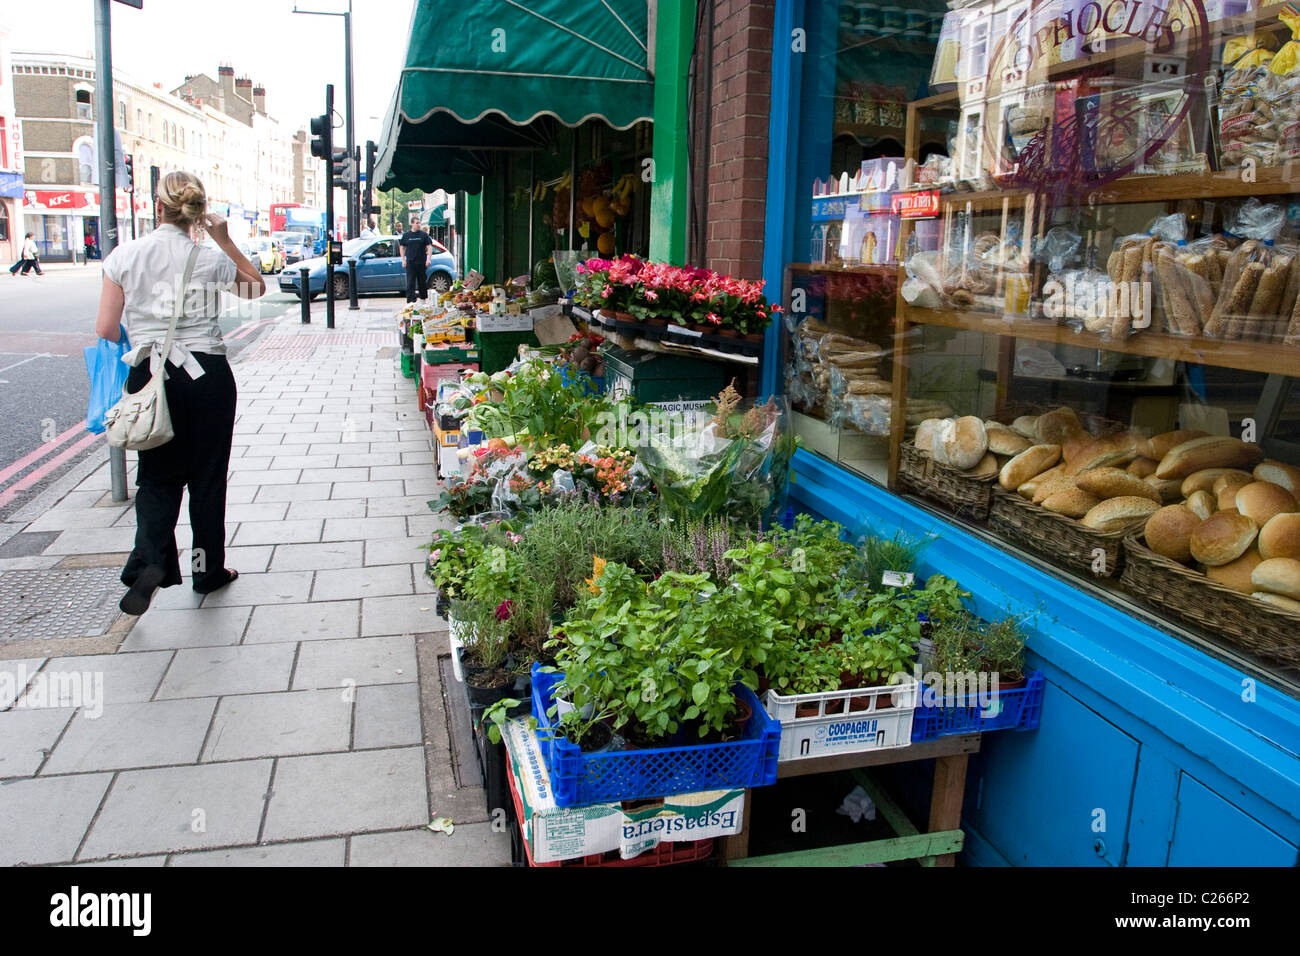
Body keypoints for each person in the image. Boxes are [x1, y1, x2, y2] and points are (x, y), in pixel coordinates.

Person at [95, 171, 266, 615]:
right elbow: (256, 287)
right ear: (198, 211)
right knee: (207, 478)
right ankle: (206, 571)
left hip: (151, 374)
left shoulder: (125, 256)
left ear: (158, 206)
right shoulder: (208, 258)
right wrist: (224, 239)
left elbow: (106, 328)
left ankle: (150, 563)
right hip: (206, 375)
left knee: (157, 475)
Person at [399, 216, 431, 302]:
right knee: (410, 283)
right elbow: (402, 247)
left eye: (419, 223)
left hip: (421, 262)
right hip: (410, 263)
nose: (418, 225)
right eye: (416, 223)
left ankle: (423, 299)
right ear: (412, 224)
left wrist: (428, 259)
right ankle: (410, 301)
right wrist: (403, 260)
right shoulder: (406, 235)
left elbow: (429, 247)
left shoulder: (424, 235)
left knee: (422, 282)